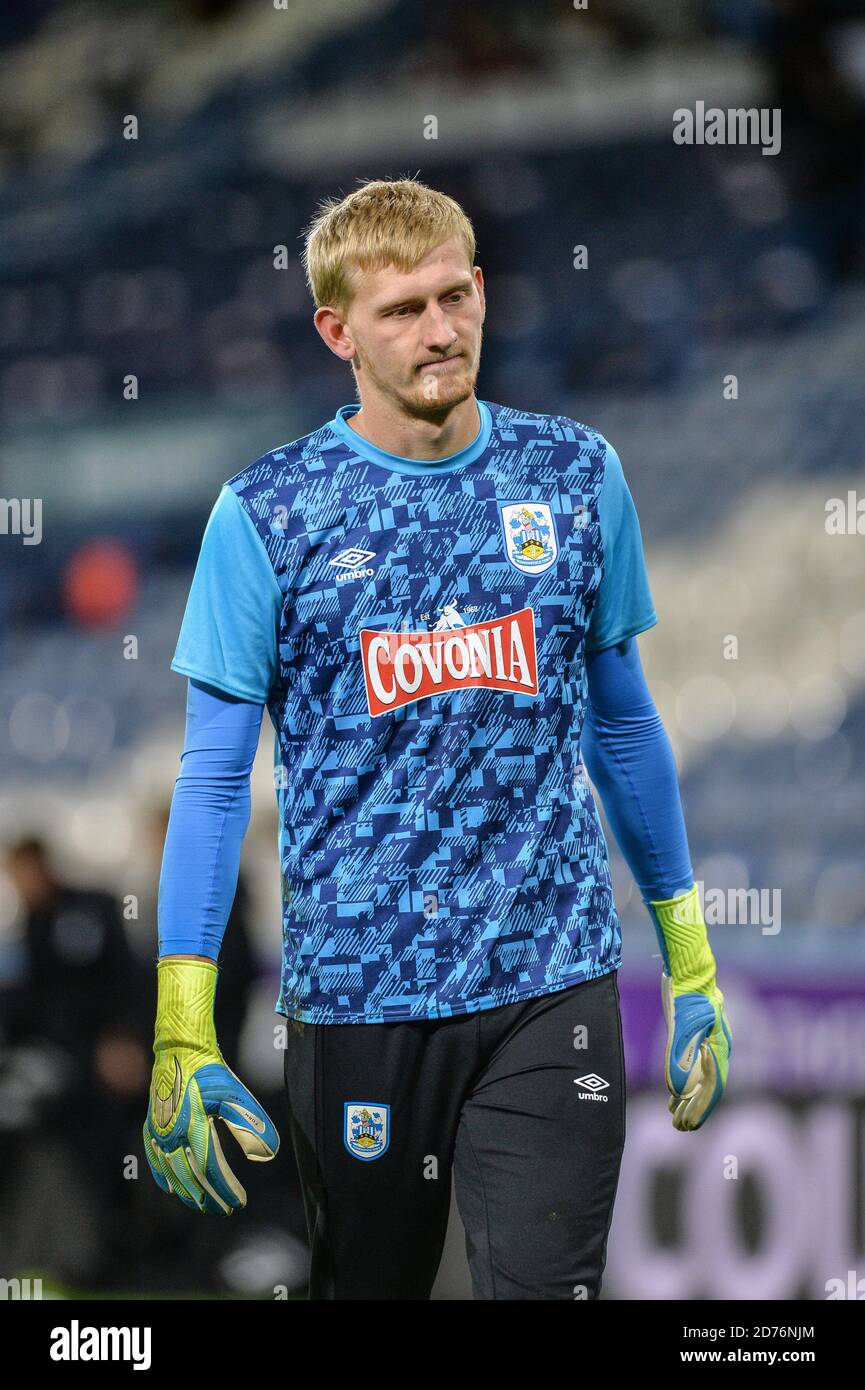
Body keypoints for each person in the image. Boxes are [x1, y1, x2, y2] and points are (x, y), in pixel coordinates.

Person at [144, 177, 731, 1301]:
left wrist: (691, 958)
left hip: (549, 980)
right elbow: (215, 782)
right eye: (403, 309)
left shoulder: (576, 476)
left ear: (482, 289)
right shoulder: (266, 514)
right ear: (336, 332)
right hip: (359, 1002)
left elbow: (624, 725)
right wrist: (184, 1017)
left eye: (455, 295)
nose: (441, 329)